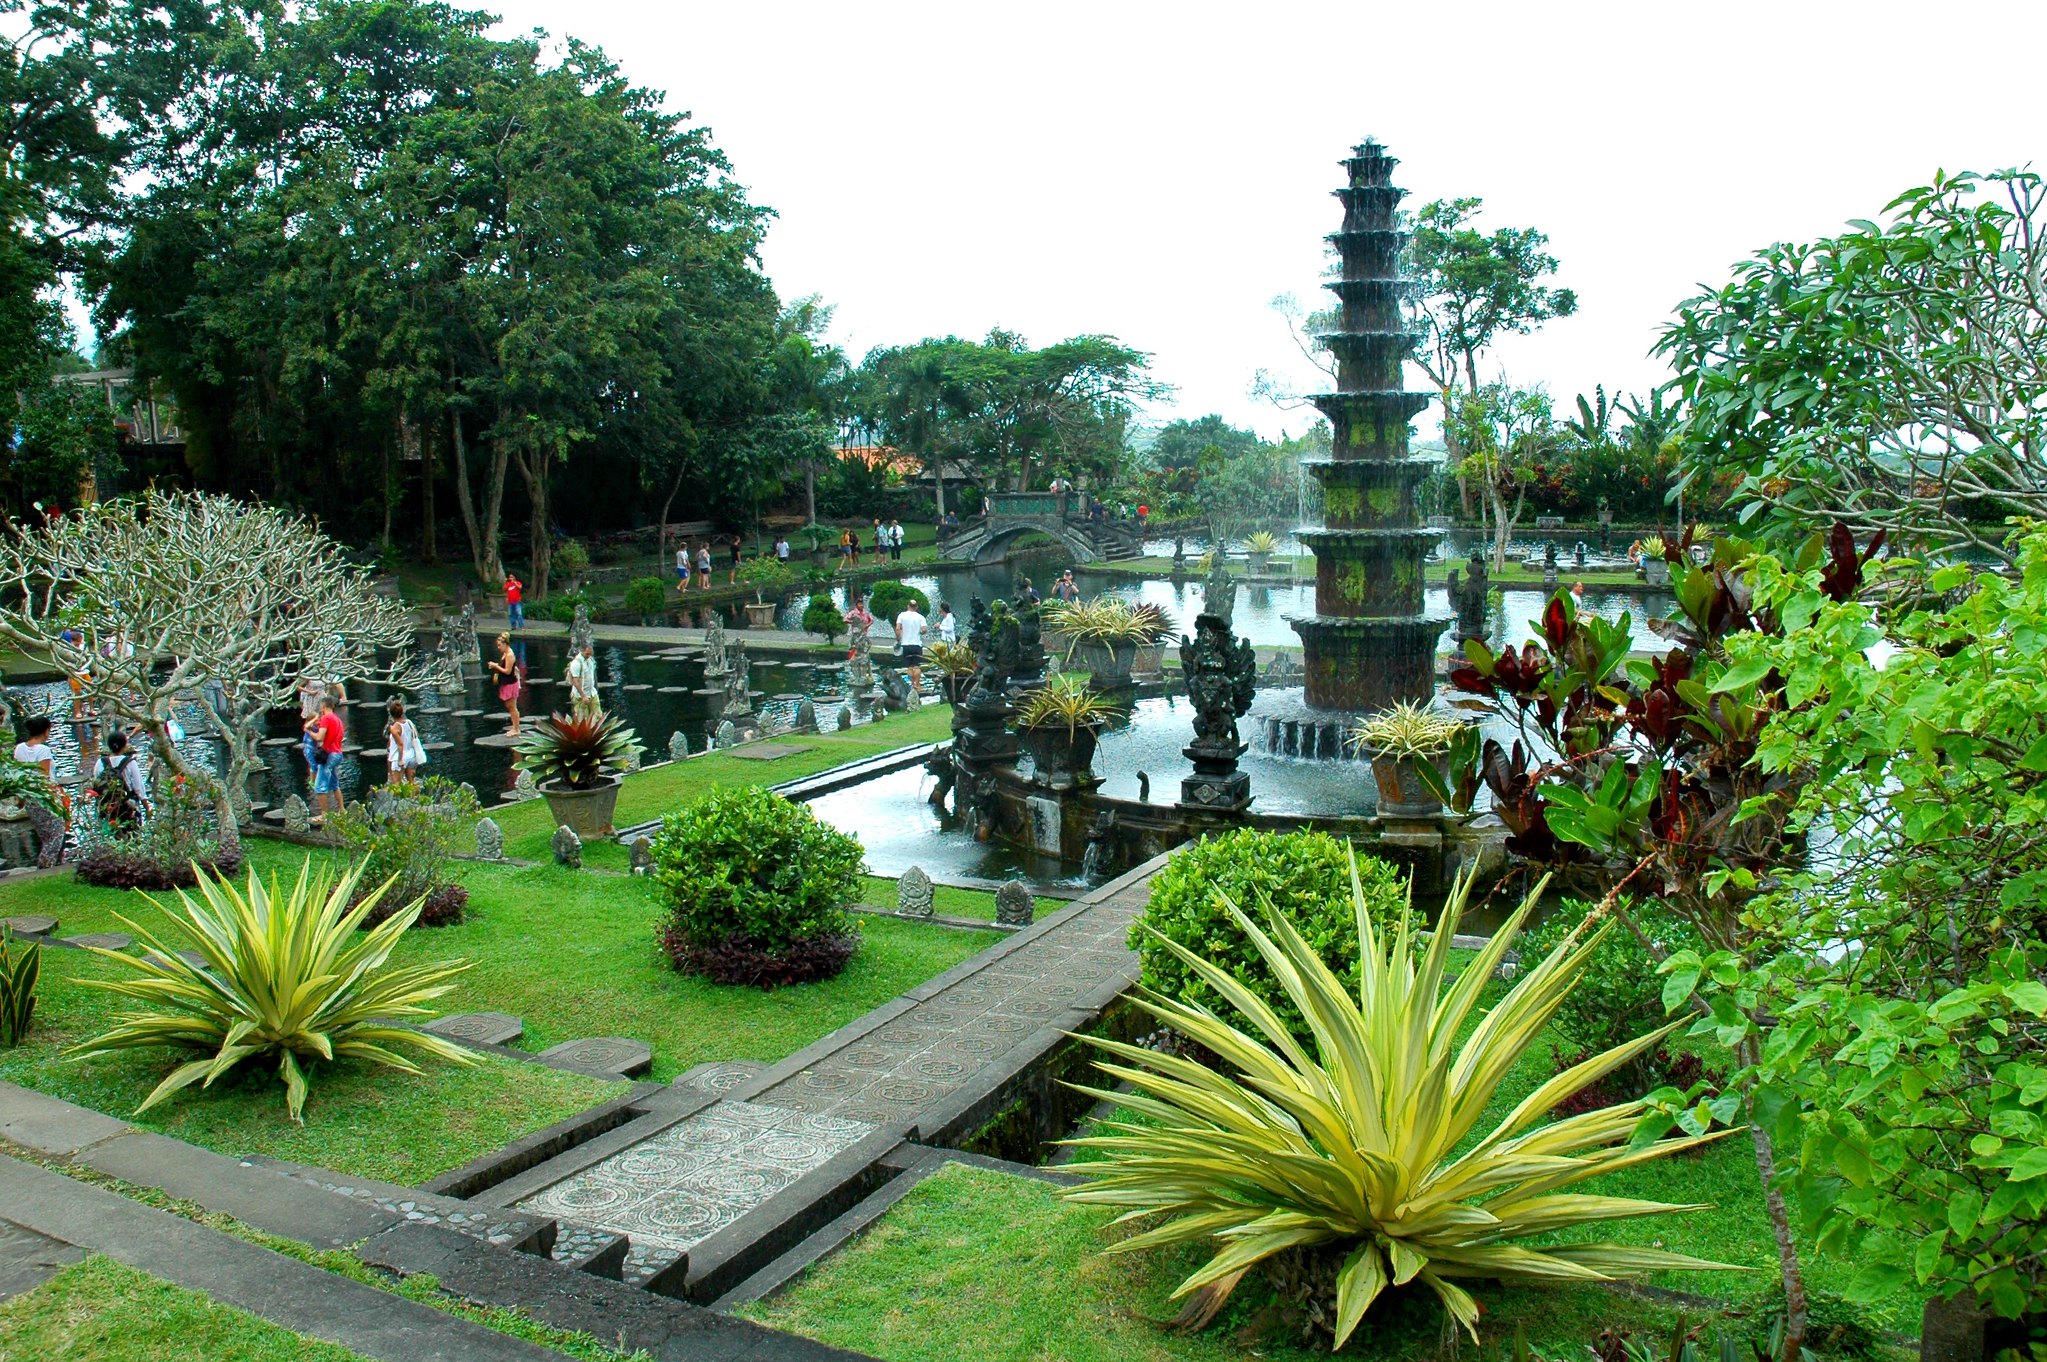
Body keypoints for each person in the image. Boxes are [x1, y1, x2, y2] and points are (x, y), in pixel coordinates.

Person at [13, 716, 67, 867]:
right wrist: (56, 801)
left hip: (30, 798)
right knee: (57, 835)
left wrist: (20, 798)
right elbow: (45, 779)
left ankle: (56, 866)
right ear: (46, 731)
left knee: (45, 836)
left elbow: (18, 776)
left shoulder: (19, 749)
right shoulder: (44, 750)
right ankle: (44, 867)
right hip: (46, 799)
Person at [90, 728, 148, 831]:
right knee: (131, 836)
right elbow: (139, 788)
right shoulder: (130, 763)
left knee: (110, 835)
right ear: (124, 746)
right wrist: (147, 808)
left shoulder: (100, 762)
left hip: (107, 807)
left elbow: (96, 784)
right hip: (128, 807)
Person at [306, 693, 347, 822]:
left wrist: (308, 731)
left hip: (329, 755)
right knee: (335, 784)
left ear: (323, 706)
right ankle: (342, 810)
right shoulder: (338, 719)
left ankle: (324, 814)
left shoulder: (326, 718)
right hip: (338, 754)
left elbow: (319, 737)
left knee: (319, 787)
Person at [385, 698, 424, 788]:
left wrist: (400, 759)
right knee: (412, 782)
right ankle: (415, 799)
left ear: (391, 714)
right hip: (411, 755)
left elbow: (400, 744)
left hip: (399, 757)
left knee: (397, 785)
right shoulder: (409, 723)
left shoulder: (394, 728)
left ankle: (400, 801)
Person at [489, 632, 523, 737]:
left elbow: (508, 671)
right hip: (506, 682)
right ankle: (514, 727)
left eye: (499, 645)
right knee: (509, 706)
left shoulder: (509, 655)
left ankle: (516, 729)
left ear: (505, 644)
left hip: (511, 683)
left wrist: (495, 666)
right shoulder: (505, 653)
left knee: (512, 706)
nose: (498, 648)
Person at [894, 597, 928, 689]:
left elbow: (897, 628)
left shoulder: (902, 615)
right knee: (916, 666)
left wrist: (898, 639)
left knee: (909, 667)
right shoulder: (920, 617)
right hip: (916, 644)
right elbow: (925, 629)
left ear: (908, 606)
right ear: (916, 607)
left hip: (905, 645)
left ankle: (913, 684)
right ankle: (917, 684)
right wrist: (920, 632)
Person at [566, 640, 600, 720]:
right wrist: (583, 696)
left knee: (598, 716)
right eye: (587, 654)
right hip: (580, 696)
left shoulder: (590, 660)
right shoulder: (576, 663)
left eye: (590, 654)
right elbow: (575, 681)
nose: (588, 656)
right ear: (582, 650)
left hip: (592, 693)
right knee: (582, 720)